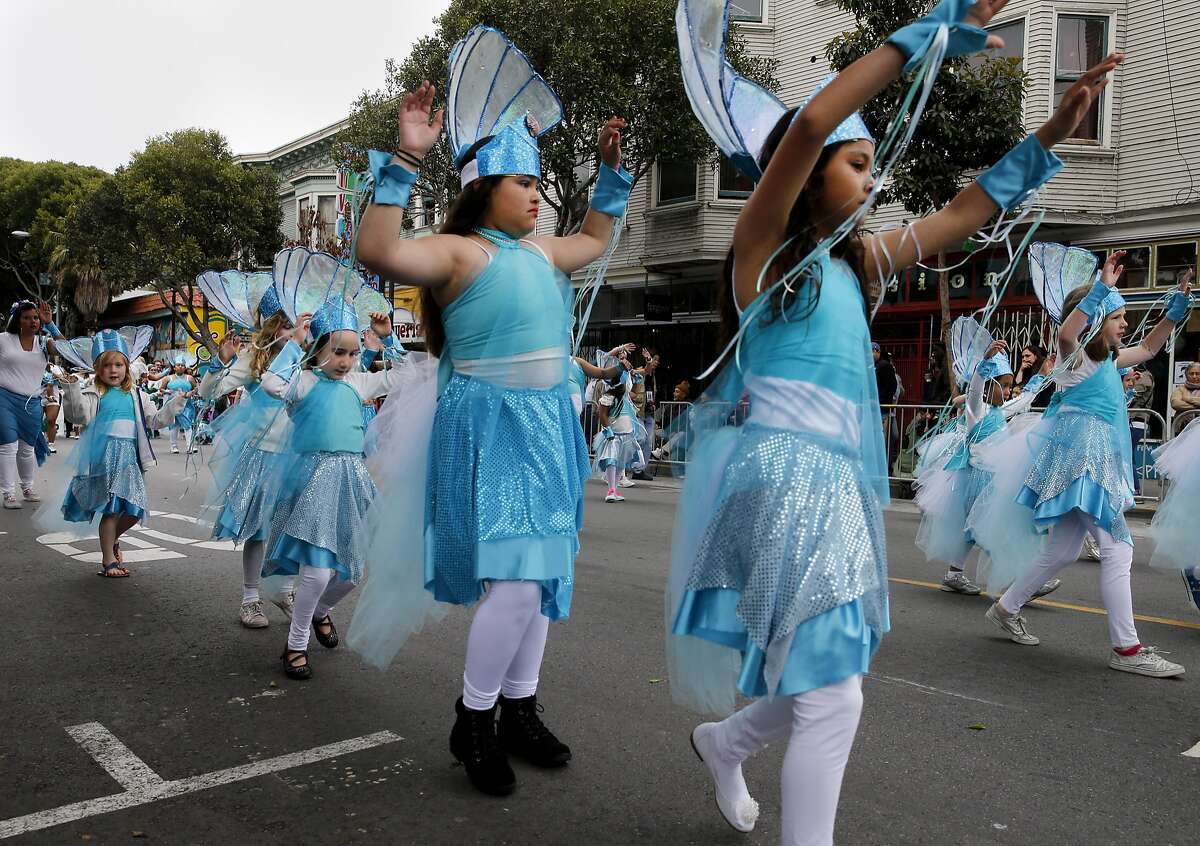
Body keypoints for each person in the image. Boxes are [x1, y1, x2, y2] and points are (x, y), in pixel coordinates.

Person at [668, 0, 1111, 840]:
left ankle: (726, 742)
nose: (872, 180)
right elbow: (805, 134)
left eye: (874, 164)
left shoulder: (860, 260)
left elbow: (959, 217)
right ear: (807, 176)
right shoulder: (764, 254)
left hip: (835, 486)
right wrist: (916, 38)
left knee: (821, 675)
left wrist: (1049, 135)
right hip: (778, 479)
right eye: (858, 163)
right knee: (834, 693)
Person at [352, 25, 634, 797]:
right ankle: (474, 716)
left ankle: (519, 708)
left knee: (538, 578)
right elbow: (378, 250)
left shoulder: (543, 253)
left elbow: (598, 234)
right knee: (513, 581)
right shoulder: (457, 252)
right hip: (490, 423)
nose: (539, 196)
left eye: (540, 185)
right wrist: (407, 156)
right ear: (483, 189)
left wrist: (609, 177)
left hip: (547, 425)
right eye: (525, 184)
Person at [978, 253, 1191, 679]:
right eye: (1118, 317)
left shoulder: (1109, 361)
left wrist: (1175, 312)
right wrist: (1100, 290)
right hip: (1083, 466)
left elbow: (1150, 347)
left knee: (1064, 549)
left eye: (1123, 317)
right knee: (1119, 549)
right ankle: (1126, 648)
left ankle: (1006, 608)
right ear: (1097, 319)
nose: (1124, 324)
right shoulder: (1077, 360)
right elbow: (1067, 331)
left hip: (1087, 464)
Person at [259, 300, 408, 680]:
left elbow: (404, 376)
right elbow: (271, 383)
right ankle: (295, 645)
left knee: (353, 570)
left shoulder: (359, 383)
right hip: (310, 481)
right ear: (317, 349)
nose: (345, 361)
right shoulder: (304, 382)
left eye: (353, 352)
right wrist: (294, 342)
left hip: (352, 480)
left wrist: (388, 340)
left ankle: (321, 611)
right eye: (337, 352)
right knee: (317, 572)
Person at [198, 286, 306, 629]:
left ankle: (285, 590)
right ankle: (250, 598)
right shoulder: (253, 358)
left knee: (292, 528)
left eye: (295, 325)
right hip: (260, 454)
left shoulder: (306, 358)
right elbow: (210, 392)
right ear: (271, 327)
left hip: (298, 455)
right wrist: (221, 360)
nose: (292, 332)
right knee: (257, 531)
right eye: (286, 325)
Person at [36, 329, 186, 577]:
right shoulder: (95, 392)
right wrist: (72, 389)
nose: (113, 370)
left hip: (129, 460)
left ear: (127, 367)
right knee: (111, 509)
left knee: (135, 509)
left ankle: (111, 540)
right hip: (104, 457)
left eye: (118, 365)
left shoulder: (136, 394)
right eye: (107, 366)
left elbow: (155, 420)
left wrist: (174, 405)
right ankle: (109, 561)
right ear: (97, 368)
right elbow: (78, 415)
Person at [0, 301, 61, 508]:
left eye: (35, 317)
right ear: (17, 320)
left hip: (31, 402)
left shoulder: (44, 343)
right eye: (26, 317)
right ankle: (8, 493)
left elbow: (67, 350)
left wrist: (51, 324)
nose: (32, 321)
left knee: (26, 449)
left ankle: (27, 487)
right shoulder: (3, 340)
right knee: (8, 445)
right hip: (4, 398)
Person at [593, 372, 647, 503]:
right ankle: (610, 490)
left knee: (621, 463)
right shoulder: (608, 397)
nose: (626, 385)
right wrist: (608, 429)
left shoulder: (625, 396)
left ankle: (615, 489)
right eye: (624, 383)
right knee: (611, 460)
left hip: (627, 436)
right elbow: (602, 414)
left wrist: (637, 382)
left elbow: (634, 392)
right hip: (614, 436)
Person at [157, 358, 199, 454]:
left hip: (186, 404)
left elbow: (196, 388)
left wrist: (191, 392)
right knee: (174, 425)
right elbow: (161, 389)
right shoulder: (168, 378)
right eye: (178, 365)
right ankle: (173, 446)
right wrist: (168, 391)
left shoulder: (189, 378)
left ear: (185, 367)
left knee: (188, 424)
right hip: (172, 404)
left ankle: (190, 446)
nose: (180, 367)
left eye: (182, 365)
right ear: (174, 367)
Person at [1170, 361, 1200, 433]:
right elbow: (1175, 403)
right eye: (1191, 374)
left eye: (1197, 374)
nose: (1194, 376)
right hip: (1182, 428)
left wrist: (1188, 399)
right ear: (1186, 375)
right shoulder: (1180, 389)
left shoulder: (1184, 395)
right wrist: (1197, 405)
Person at [42, 365, 62, 453]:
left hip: (53, 396)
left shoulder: (54, 367)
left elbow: (61, 378)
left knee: (51, 420)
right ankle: (36, 443)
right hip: (37, 395)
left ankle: (50, 444)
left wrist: (52, 373)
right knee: (35, 421)